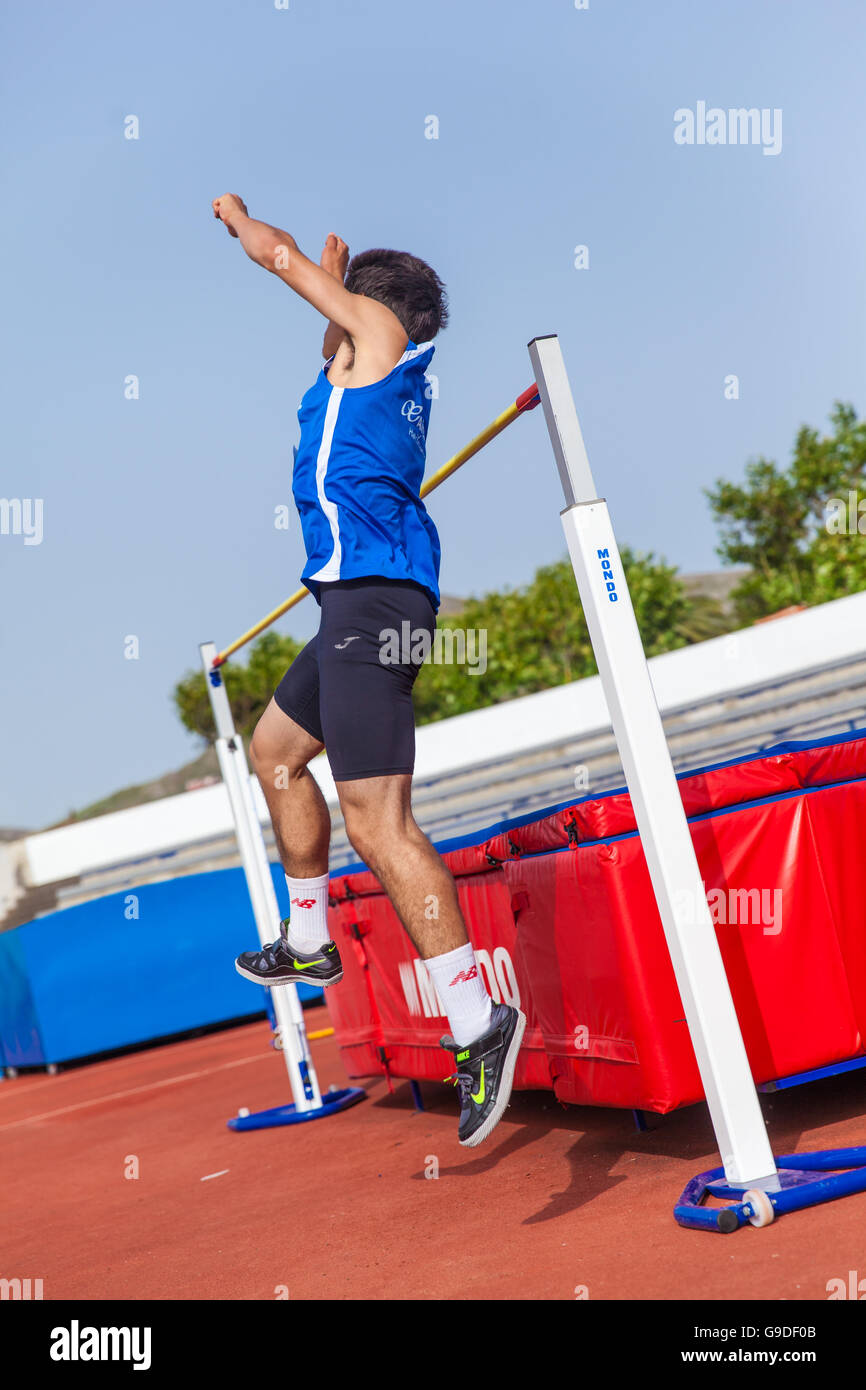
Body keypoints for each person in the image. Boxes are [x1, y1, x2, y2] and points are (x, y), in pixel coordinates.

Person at [211, 194, 525, 1147]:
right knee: (275, 752)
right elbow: (325, 333)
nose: (333, 331)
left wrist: (244, 221)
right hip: (349, 603)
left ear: (370, 315)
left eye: (342, 314)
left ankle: (478, 1023)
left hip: (374, 605)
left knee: (378, 822)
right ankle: (309, 939)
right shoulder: (358, 371)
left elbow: (282, 262)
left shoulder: (384, 338)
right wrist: (327, 286)